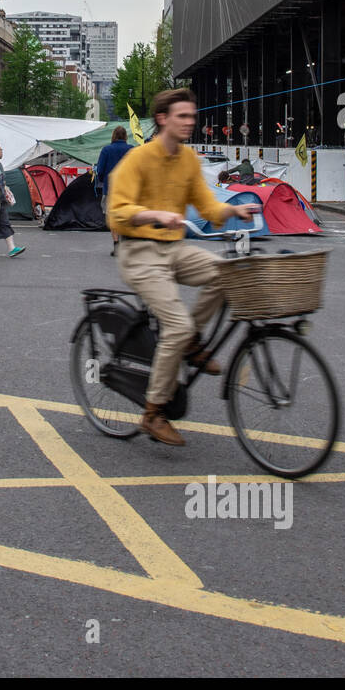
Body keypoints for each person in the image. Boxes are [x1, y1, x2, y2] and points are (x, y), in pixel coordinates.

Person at [107, 88, 258, 446]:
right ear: (163, 119)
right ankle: (153, 412)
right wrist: (153, 214)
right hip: (139, 253)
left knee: (227, 272)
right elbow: (115, 211)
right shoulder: (137, 159)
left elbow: (206, 206)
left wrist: (233, 210)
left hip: (173, 250)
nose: (191, 122)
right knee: (176, 324)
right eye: (183, 116)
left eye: (192, 116)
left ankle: (191, 343)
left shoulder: (189, 159)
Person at [94, 126, 132, 256]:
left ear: (113, 136)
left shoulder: (106, 150)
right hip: (129, 189)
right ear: (125, 136)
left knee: (112, 216)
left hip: (111, 188)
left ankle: (117, 245)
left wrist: (102, 180)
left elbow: (100, 171)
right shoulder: (132, 149)